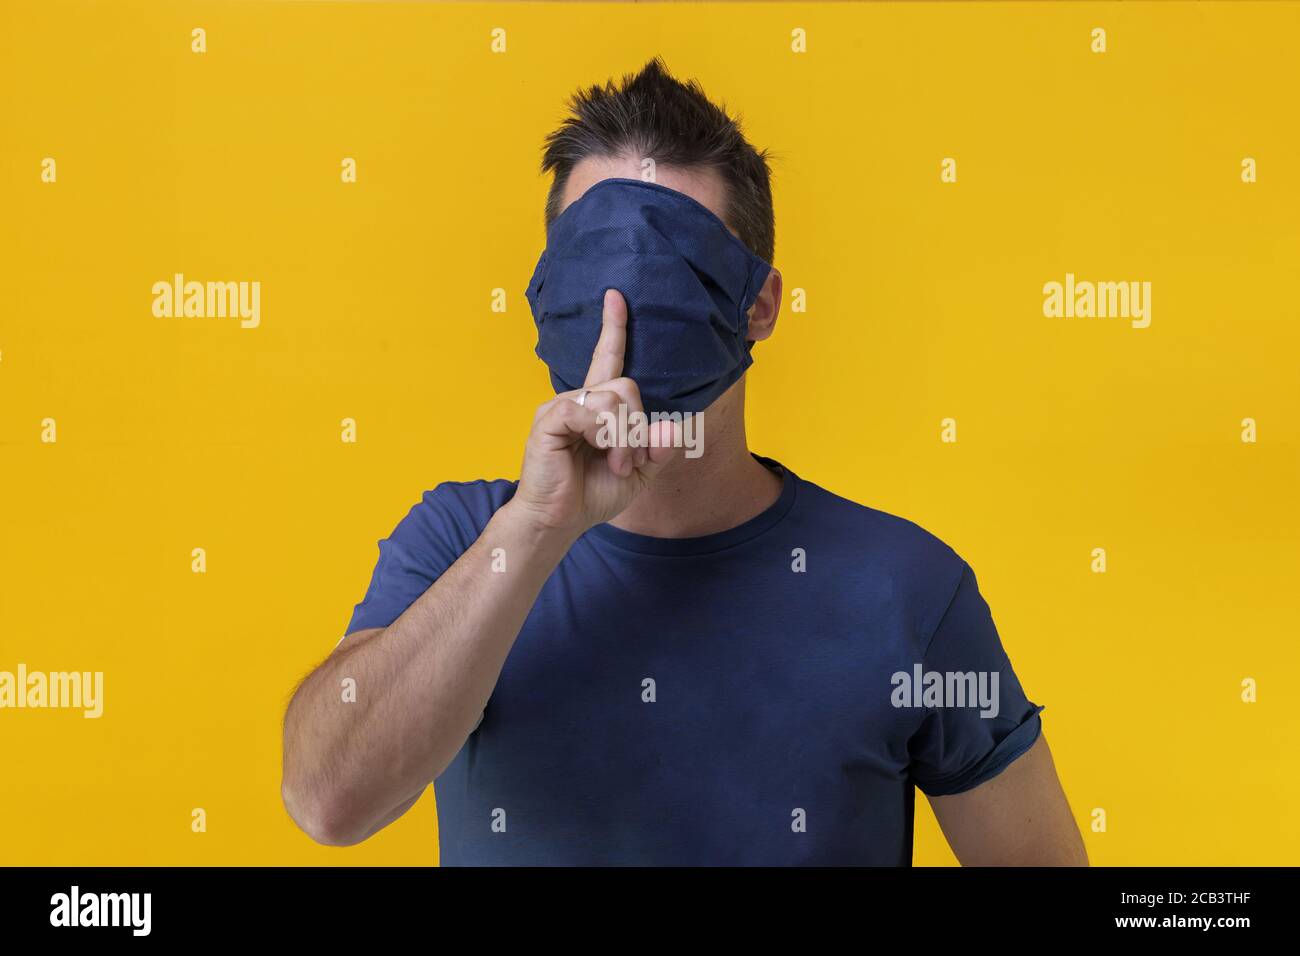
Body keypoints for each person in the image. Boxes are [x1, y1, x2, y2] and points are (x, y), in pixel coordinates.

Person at [281, 57, 1087, 866]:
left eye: (675, 265)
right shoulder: (460, 540)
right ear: (546, 291)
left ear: (759, 303)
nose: (628, 304)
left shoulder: (906, 588)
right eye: (596, 265)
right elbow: (327, 801)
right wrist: (534, 530)